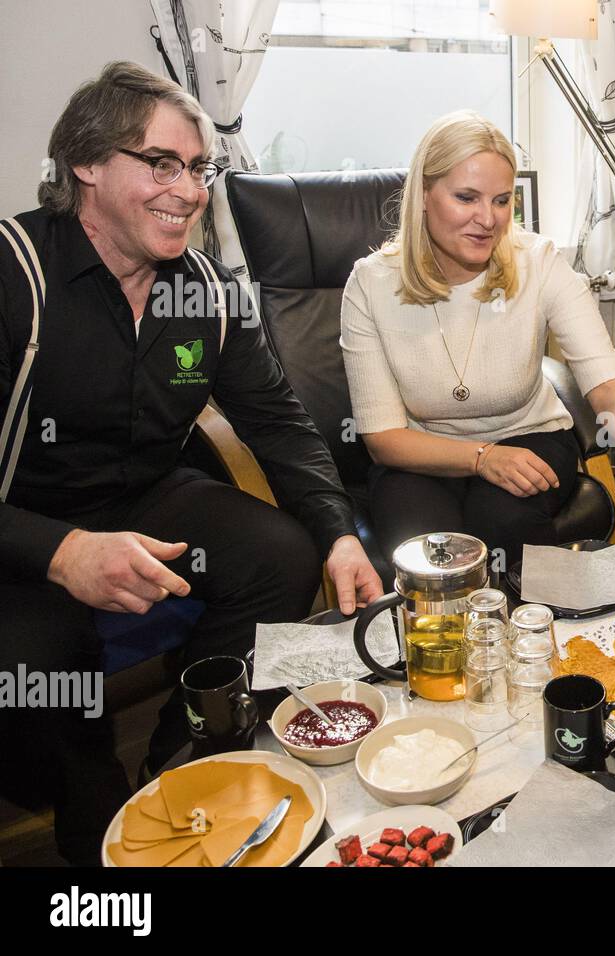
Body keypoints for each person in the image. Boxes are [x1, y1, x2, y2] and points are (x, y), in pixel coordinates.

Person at [0, 62, 382, 864]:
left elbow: (278, 424)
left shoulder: (206, 291)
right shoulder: (15, 275)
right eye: (162, 163)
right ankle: (91, 810)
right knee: (37, 657)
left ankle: (187, 752)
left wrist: (340, 534)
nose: (190, 189)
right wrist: (63, 552)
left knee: (283, 551)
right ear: (88, 164)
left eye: (200, 168)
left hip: (144, 496)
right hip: (22, 527)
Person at [341, 111, 615, 566]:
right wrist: (481, 458)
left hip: (530, 436)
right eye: (466, 197)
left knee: (504, 523)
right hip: (421, 452)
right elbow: (383, 438)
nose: (488, 219)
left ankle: (535, 634)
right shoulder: (370, 285)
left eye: (502, 200)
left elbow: (607, 385)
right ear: (424, 195)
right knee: (429, 552)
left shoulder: (540, 263)